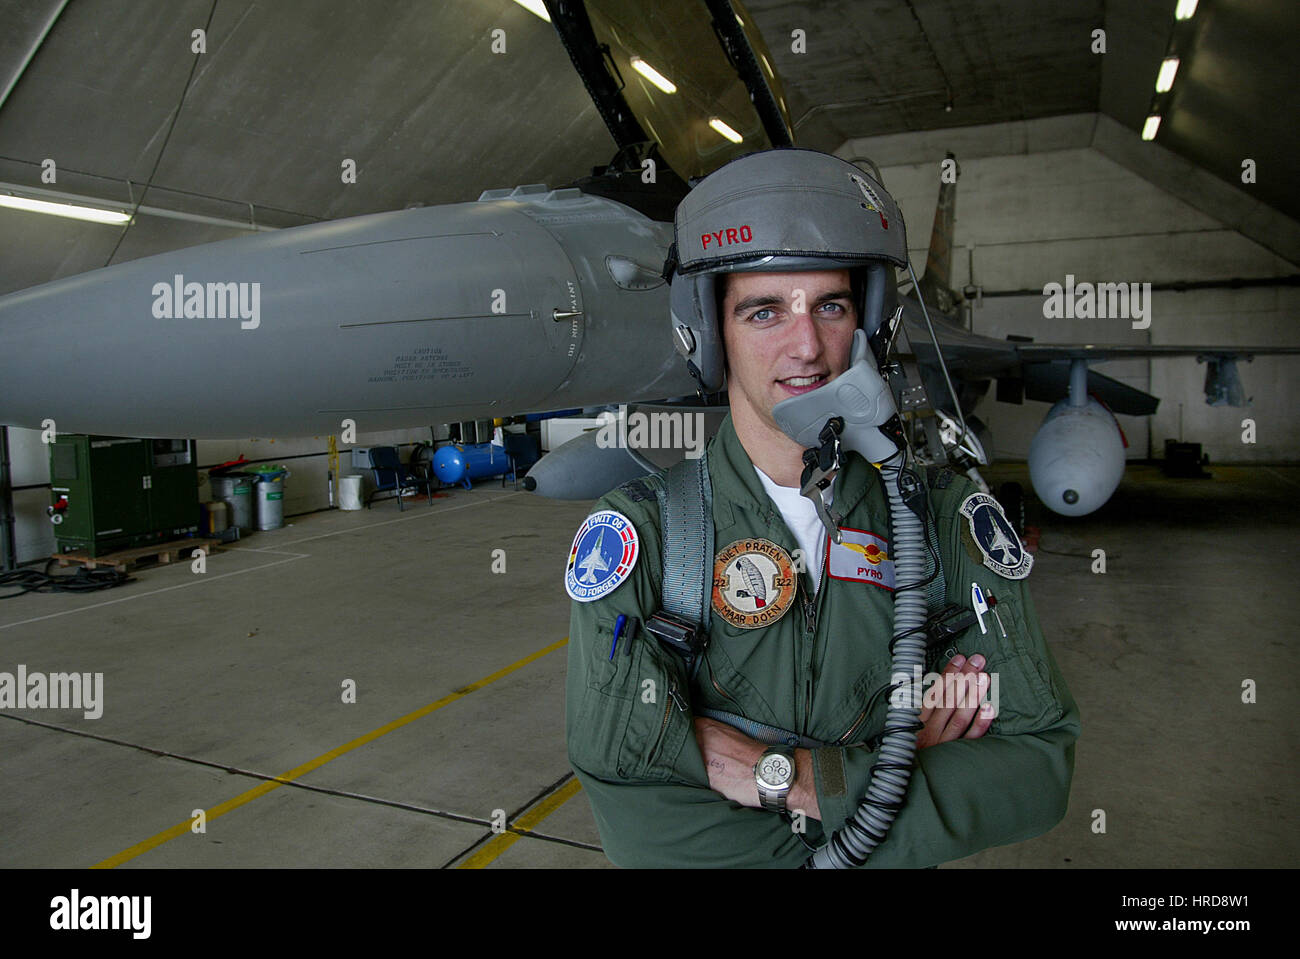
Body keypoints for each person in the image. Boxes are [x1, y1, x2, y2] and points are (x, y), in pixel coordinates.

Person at [564, 148, 1079, 868]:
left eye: (830, 306)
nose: (806, 346)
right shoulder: (642, 537)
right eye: (764, 309)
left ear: (868, 322)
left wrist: (787, 777)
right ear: (712, 333)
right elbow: (635, 805)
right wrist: (895, 765)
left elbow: (1036, 771)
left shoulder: (946, 519)